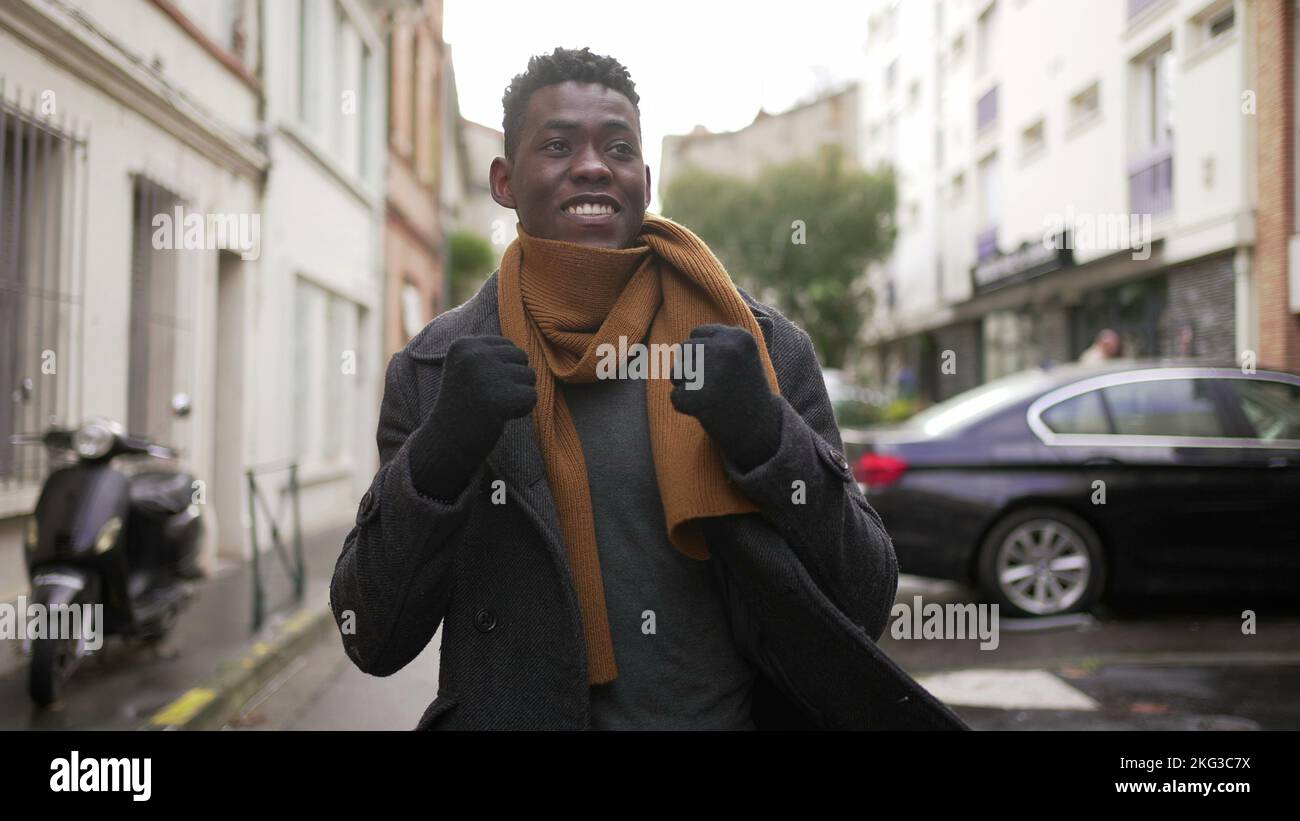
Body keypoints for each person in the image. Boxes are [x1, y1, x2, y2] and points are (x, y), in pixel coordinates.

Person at [329, 47, 966, 731]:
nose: (594, 164)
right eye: (557, 144)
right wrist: (441, 452)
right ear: (505, 181)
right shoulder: (435, 371)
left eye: (618, 146)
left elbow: (864, 598)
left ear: (645, 178)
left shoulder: (762, 348)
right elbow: (373, 634)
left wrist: (766, 434)